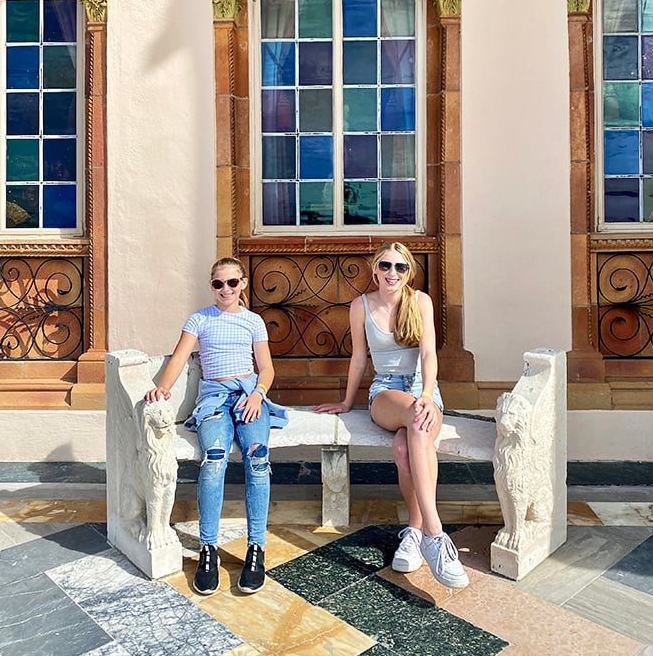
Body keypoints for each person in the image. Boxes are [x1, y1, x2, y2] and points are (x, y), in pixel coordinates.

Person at [315, 242, 469, 589]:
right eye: (385, 266)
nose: (392, 273)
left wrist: (428, 395)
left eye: (400, 267)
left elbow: (429, 354)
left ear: (409, 272)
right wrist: (345, 401)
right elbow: (359, 359)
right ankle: (435, 532)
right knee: (414, 418)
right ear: (375, 269)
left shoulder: (420, 302)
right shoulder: (361, 306)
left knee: (403, 450)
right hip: (384, 390)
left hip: (422, 390)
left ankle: (414, 532)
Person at [144, 257, 286, 596]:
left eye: (232, 283)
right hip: (213, 400)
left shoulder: (253, 322)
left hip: (248, 395)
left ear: (243, 284)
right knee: (215, 459)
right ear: (212, 286)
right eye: (218, 284)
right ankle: (208, 549)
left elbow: (266, 368)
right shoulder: (200, 319)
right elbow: (179, 357)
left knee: (258, 458)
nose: (226, 290)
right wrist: (162, 388)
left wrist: (257, 395)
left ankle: (256, 548)